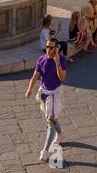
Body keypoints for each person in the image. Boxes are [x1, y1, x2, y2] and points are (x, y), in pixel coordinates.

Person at [25, 37, 68, 165]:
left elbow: (62, 77)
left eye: (51, 47)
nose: (48, 49)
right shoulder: (41, 59)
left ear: (56, 48)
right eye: (47, 46)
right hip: (44, 93)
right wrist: (29, 89)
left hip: (55, 94)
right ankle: (60, 134)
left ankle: (45, 151)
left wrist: (57, 63)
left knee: (50, 121)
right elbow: (35, 76)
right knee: (51, 118)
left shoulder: (62, 60)